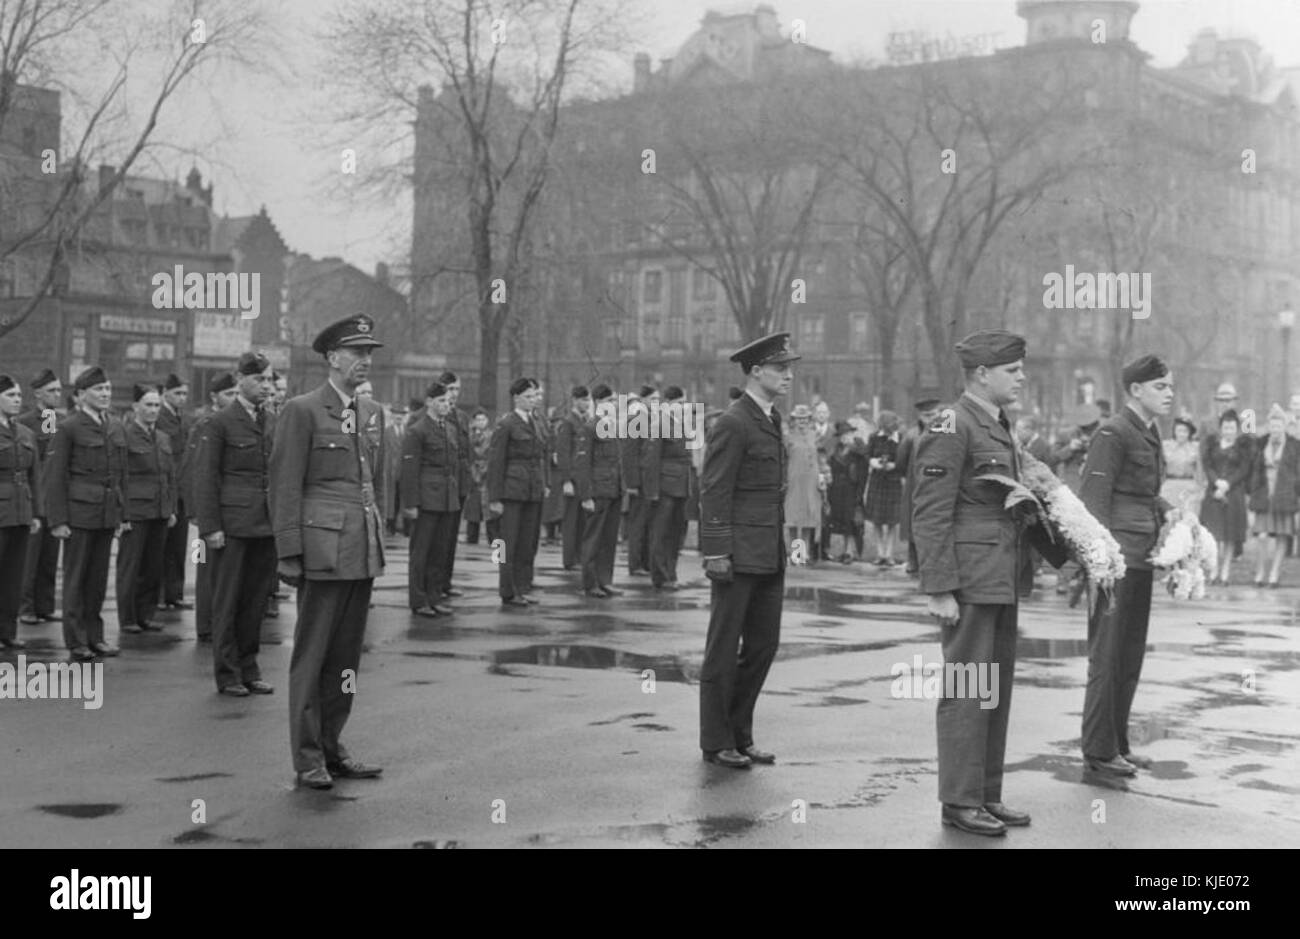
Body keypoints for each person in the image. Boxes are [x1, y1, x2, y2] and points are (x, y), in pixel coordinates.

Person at [911, 329, 1065, 836]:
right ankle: (958, 800)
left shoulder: (996, 424)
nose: (1021, 377)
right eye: (1011, 370)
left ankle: (985, 793)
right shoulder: (951, 423)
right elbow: (930, 510)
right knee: (966, 689)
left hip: (1001, 576)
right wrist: (938, 586)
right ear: (981, 374)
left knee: (993, 691)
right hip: (971, 580)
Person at [271, 315, 387, 790]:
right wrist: (289, 552)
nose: (365, 360)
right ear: (331, 357)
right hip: (322, 548)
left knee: (345, 661)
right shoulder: (302, 410)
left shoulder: (370, 411)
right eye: (356, 352)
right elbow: (284, 484)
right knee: (312, 658)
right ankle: (307, 757)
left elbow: (371, 482)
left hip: (360, 548)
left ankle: (334, 745)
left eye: (370, 353)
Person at [699, 332, 800, 770]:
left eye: (789, 367)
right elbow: (714, 490)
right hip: (737, 553)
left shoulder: (770, 418)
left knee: (763, 646)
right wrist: (716, 550)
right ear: (756, 371)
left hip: (767, 551)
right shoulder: (734, 421)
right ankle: (716, 739)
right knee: (723, 650)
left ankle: (741, 733)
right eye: (781, 368)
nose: (788, 375)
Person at [1078, 354, 1175, 778]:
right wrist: (1099, 562)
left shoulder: (1148, 433)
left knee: (1129, 655)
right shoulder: (1113, 433)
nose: (1169, 394)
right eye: (1161, 387)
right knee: (1108, 656)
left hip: (1141, 556)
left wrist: (1174, 514)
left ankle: (1117, 743)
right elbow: (1094, 501)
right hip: (1115, 560)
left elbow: (1146, 493)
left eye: (1170, 386)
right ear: (1136, 390)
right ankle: (1098, 750)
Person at [194, 352, 277, 696]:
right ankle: (227, 673)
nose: (266, 386)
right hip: (231, 525)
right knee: (227, 601)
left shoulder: (272, 419)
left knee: (255, 600)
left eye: (269, 380)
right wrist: (210, 527)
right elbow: (206, 477)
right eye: (259, 380)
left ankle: (249, 667)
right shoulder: (220, 422)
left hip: (264, 523)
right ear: (240, 379)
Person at [46, 366, 127, 662]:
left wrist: (122, 514)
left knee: (97, 580)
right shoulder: (68, 427)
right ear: (80, 395)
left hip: (105, 513)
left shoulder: (115, 425)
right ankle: (77, 640)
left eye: (107, 389)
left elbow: (121, 474)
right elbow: (54, 477)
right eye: (98, 390)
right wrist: (58, 520)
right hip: (79, 513)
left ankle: (96, 636)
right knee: (76, 579)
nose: (105, 394)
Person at [116, 384, 176, 634]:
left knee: (153, 566)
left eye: (156, 406)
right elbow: (119, 477)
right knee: (131, 566)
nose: (153, 410)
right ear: (135, 407)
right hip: (136, 511)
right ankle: (128, 617)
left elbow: (169, 477)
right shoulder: (124, 435)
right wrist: (122, 514)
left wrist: (171, 509)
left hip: (159, 511)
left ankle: (146, 614)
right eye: (148, 405)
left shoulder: (162, 438)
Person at [184, 373, 239, 642]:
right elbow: (193, 470)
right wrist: (196, 512)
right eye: (228, 394)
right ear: (214, 398)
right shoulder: (205, 425)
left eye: (236, 394)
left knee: (224, 573)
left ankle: (220, 623)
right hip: (206, 515)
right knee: (204, 568)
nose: (234, 399)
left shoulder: (233, 424)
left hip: (228, 511)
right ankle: (205, 625)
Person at [401, 381, 461, 618]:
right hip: (426, 497)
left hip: (446, 496)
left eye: (448, 401)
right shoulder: (418, 430)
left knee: (439, 551)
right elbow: (409, 469)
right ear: (429, 402)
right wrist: (411, 503)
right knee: (421, 552)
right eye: (441, 401)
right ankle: (418, 599)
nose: (446, 405)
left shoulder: (449, 429)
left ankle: (434, 596)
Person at [487, 377, 548, 608]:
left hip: (532, 490)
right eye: (528, 397)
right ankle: (507, 590)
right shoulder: (507, 424)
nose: (533, 401)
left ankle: (522, 587)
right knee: (505, 544)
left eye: (534, 396)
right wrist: (494, 499)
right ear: (516, 398)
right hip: (511, 492)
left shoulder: (535, 422)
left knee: (527, 543)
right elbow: (496, 462)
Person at [0, 375, 42, 651]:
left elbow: (36, 471)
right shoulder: (35, 417)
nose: (17, 400)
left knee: (15, 574)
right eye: (11, 395)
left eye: (18, 395)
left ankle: (8, 630)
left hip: (22, 509)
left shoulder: (28, 430)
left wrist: (37, 511)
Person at [18, 369, 63, 626]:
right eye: (51, 391)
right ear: (37, 394)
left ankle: (45, 606)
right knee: (30, 557)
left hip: (54, 499)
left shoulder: (59, 419)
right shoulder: (25, 422)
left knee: (49, 556)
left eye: (58, 390)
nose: (57, 395)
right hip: (35, 497)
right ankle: (26, 607)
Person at [575, 384, 624, 598]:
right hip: (598, 490)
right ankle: (591, 582)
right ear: (599, 403)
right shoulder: (590, 427)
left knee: (608, 539)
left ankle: (605, 580)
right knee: (593, 539)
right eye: (610, 401)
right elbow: (583, 464)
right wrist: (585, 496)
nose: (613, 405)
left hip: (613, 489)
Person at [643, 386, 692, 589]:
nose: (682, 407)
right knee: (660, 533)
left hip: (681, 485)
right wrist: (652, 491)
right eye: (679, 404)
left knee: (676, 533)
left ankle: (671, 573)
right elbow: (651, 460)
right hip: (664, 486)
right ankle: (660, 575)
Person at [1247, 405, 1300, 587]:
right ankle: (1261, 570)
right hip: (1264, 495)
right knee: (1261, 536)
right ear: (1269, 426)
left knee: (1282, 535)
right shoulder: (1260, 443)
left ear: (1285, 426)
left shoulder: (1294, 445)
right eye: (1273, 425)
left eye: (1279, 425)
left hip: (1285, 495)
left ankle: (1274, 573)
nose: (1275, 429)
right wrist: (1252, 494)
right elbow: (1253, 470)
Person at [1200, 409, 1252, 585]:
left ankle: (1225, 573)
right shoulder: (1212, 445)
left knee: (1230, 535)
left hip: (1234, 493)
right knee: (1214, 534)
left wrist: (1227, 484)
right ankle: (1213, 571)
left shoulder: (1242, 448)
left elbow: (1244, 469)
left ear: (1236, 430)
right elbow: (1207, 466)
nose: (1228, 431)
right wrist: (1217, 483)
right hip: (1213, 493)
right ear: (1221, 428)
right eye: (1225, 427)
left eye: (1232, 428)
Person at [155, 373, 193, 611]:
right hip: (165, 489)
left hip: (182, 490)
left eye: (185, 394)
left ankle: (175, 593)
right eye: (177, 393)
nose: (182, 398)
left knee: (180, 546)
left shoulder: (185, 419)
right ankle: (159, 595)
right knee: (162, 546)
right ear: (165, 393)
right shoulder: (158, 417)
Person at [896, 399, 942, 575]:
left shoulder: (949, 433)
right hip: (916, 485)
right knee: (914, 523)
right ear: (919, 416)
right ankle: (913, 560)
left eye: (934, 414)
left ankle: (933, 563)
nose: (930, 419)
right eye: (926, 415)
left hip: (940, 485)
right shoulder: (911, 435)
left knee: (937, 525)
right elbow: (901, 461)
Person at [435, 371, 470, 598]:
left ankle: (445, 582)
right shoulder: (434, 414)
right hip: (441, 485)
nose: (455, 394)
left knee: (451, 538)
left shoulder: (462, 416)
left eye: (457, 389)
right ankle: (435, 584)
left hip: (459, 483)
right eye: (451, 389)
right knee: (438, 540)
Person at [555, 386, 592, 571]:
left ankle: (578, 556)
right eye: (584, 400)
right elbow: (563, 453)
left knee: (582, 521)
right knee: (571, 521)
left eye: (588, 400)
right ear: (575, 400)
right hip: (573, 478)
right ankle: (570, 558)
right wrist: (566, 480)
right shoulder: (568, 422)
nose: (587, 403)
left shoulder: (585, 421)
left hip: (583, 477)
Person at [622, 386, 657, 575]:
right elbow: (630, 454)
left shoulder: (651, 420)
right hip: (640, 481)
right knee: (638, 524)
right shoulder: (637, 420)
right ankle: (635, 564)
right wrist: (632, 484)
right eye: (653, 399)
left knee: (648, 524)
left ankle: (645, 562)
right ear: (643, 400)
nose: (656, 403)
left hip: (650, 481)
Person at [864, 410, 904, 566]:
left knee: (892, 521)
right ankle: (880, 553)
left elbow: (903, 460)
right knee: (877, 520)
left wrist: (894, 465)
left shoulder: (900, 438)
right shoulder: (874, 437)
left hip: (893, 481)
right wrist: (873, 462)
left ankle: (890, 554)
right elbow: (868, 455)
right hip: (878, 480)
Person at [782, 404, 821, 564]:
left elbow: (819, 458)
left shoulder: (814, 435)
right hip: (794, 479)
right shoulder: (788, 436)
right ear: (794, 420)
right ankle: (794, 552)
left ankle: (803, 553)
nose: (802, 422)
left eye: (805, 419)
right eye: (799, 419)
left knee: (807, 519)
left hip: (810, 481)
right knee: (793, 518)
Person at [825, 420, 867, 563]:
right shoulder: (836, 449)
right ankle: (843, 550)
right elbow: (830, 465)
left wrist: (852, 445)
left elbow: (864, 458)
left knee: (852, 521)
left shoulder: (858, 446)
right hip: (837, 489)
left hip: (852, 489)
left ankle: (850, 551)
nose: (845, 437)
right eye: (842, 434)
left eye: (847, 433)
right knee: (841, 521)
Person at [1160, 417, 1203, 517]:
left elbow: (1200, 471)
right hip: (1169, 486)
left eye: (1185, 431)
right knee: (1169, 519)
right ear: (1174, 431)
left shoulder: (1195, 448)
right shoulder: (1166, 446)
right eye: (1179, 430)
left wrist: (1199, 491)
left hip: (1188, 487)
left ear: (1189, 433)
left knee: (1188, 520)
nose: (1182, 434)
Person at [464, 409, 491, 545]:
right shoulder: (469, 436)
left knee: (490, 512)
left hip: (487, 476)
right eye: (478, 419)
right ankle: (471, 539)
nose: (480, 422)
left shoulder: (492, 436)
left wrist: (483, 471)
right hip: (472, 475)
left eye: (483, 419)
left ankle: (494, 541)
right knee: (473, 513)